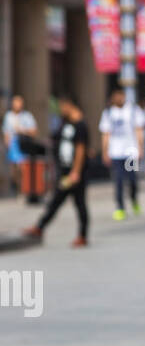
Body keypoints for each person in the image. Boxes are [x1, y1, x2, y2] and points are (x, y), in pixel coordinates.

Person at [22, 95, 89, 247]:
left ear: (70, 105)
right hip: (65, 171)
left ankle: (82, 235)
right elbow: (53, 140)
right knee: (56, 201)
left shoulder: (80, 125)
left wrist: (76, 172)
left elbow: (80, 149)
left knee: (79, 204)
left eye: (62, 106)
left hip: (75, 173)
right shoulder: (65, 124)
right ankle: (40, 227)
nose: (61, 110)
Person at [99, 87, 145, 221]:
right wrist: (105, 151)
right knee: (118, 180)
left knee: (132, 179)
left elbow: (138, 130)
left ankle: (134, 199)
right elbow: (106, 133)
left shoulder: (133, 110)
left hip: (131, 151)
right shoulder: (108, 113)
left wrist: (140, 147)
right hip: (116, 152)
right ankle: (120, 207)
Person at [2, 95, 38, 199]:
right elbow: (6, 132)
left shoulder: (27, 116)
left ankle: (24, 189)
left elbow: (33, 131)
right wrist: (7, 143)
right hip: (13, 144)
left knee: (22, 167)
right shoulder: (9, 116)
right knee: (14, 169)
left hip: (23, 143)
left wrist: (22, 130)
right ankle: (16, 188)